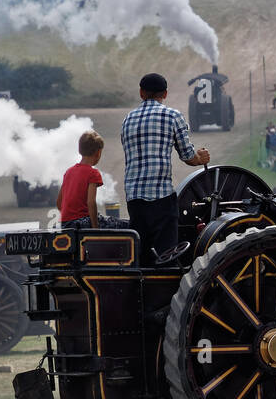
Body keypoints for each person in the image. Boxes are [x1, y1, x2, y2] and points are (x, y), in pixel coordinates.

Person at [122, 73, 211, 264]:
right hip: (160, 198)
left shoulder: (128, 120)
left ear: (141, 93)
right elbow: (188, 157)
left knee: (143, 254)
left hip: (133, 198)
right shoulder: (172, 116)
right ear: (165, 94)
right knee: (166, 255)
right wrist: (201, 157)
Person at [57, 130, 105, 229]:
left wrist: (69, 217)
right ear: (98, 153)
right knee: (122, 224)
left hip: (65, 224)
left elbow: (59, 203)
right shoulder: (93, 173)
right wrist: (96, 228)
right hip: (82, 222)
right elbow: (91, 202)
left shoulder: (68, 172)